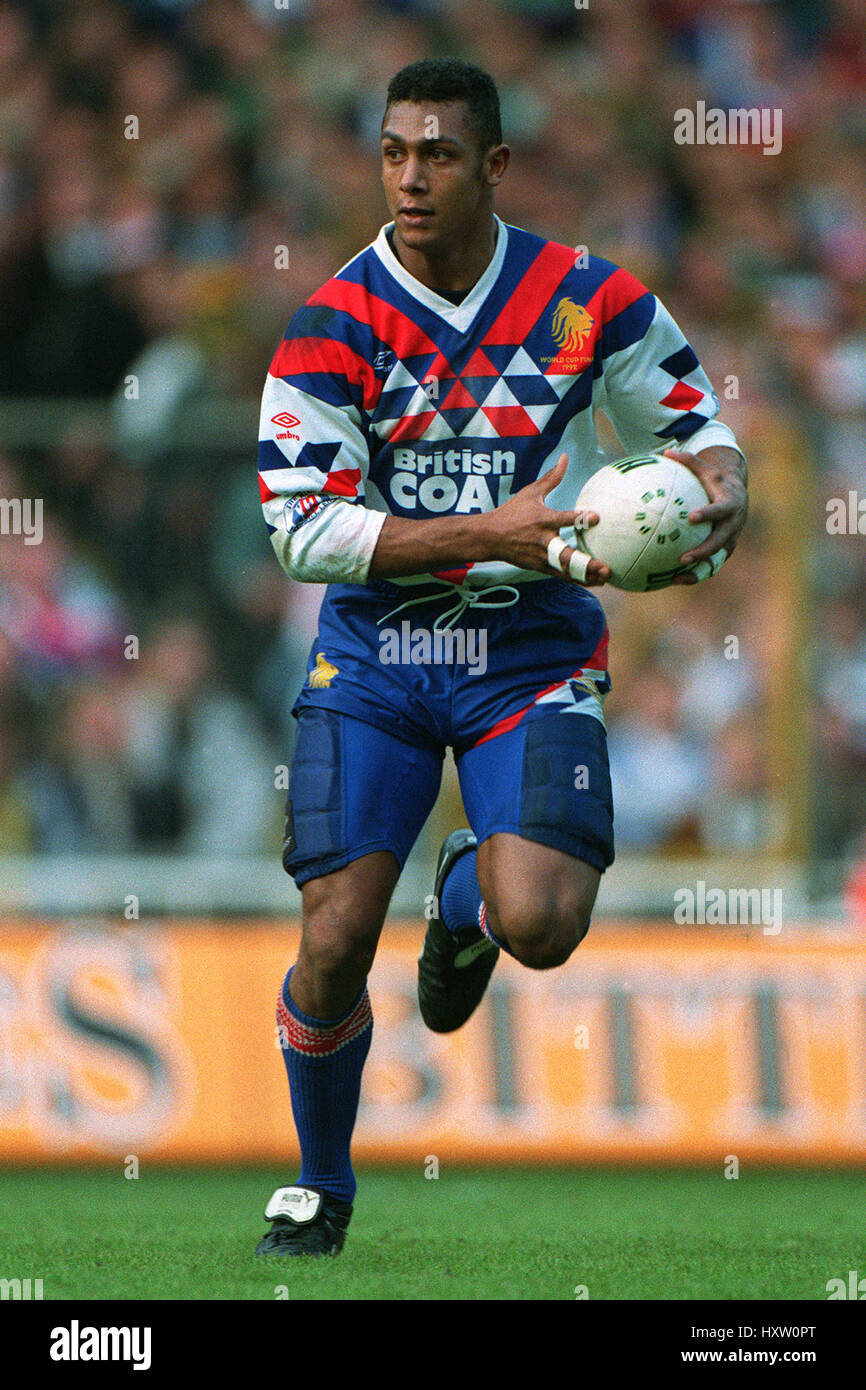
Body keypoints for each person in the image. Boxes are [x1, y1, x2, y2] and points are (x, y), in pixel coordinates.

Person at [254, 58, 748, 1256]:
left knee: (542, 923)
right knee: (330, 935)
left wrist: (710, 507)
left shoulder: (591, 299)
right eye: (391, 153)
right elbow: (299, 530)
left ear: (492, 165)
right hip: (375, 658)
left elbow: (699, 437)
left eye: (433, 153)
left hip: (528, 650)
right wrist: (495, 532)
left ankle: (467, 895)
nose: (409, 178)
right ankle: (322, 1185)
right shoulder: (329, 326)